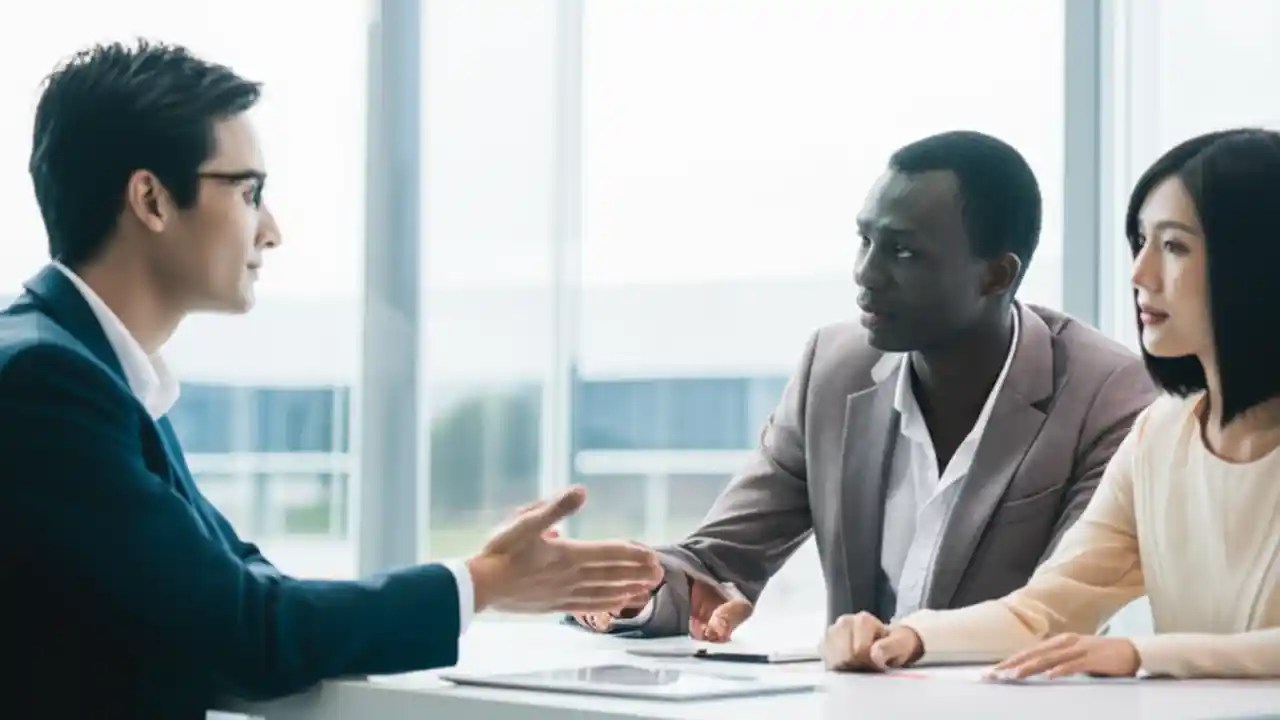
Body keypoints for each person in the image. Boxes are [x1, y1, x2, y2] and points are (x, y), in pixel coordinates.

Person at [0, 41, 661, 718]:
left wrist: (479, 581)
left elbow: (240, 585)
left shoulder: (89, 368)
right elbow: (244, 631)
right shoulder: (46, 384)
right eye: (249, 190)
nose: (272, 230)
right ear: (151, 199)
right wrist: (482, 581)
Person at [573, 131, 1157, 641]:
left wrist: (906, 645)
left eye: (902, 252)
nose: (865, 272)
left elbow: (1053, 616)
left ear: (995, 275)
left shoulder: (1106, 396)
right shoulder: (832, 369)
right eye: (865, 241)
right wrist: (633, 587)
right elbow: (716, 562)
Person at [820, 128, 1280, 680]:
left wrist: (1142, 655)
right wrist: (910, 637)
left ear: (1256, 262)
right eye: (1141, 241)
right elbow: (1047, 609)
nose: (1140, 273)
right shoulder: (1159, 435)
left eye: (1174, 245)